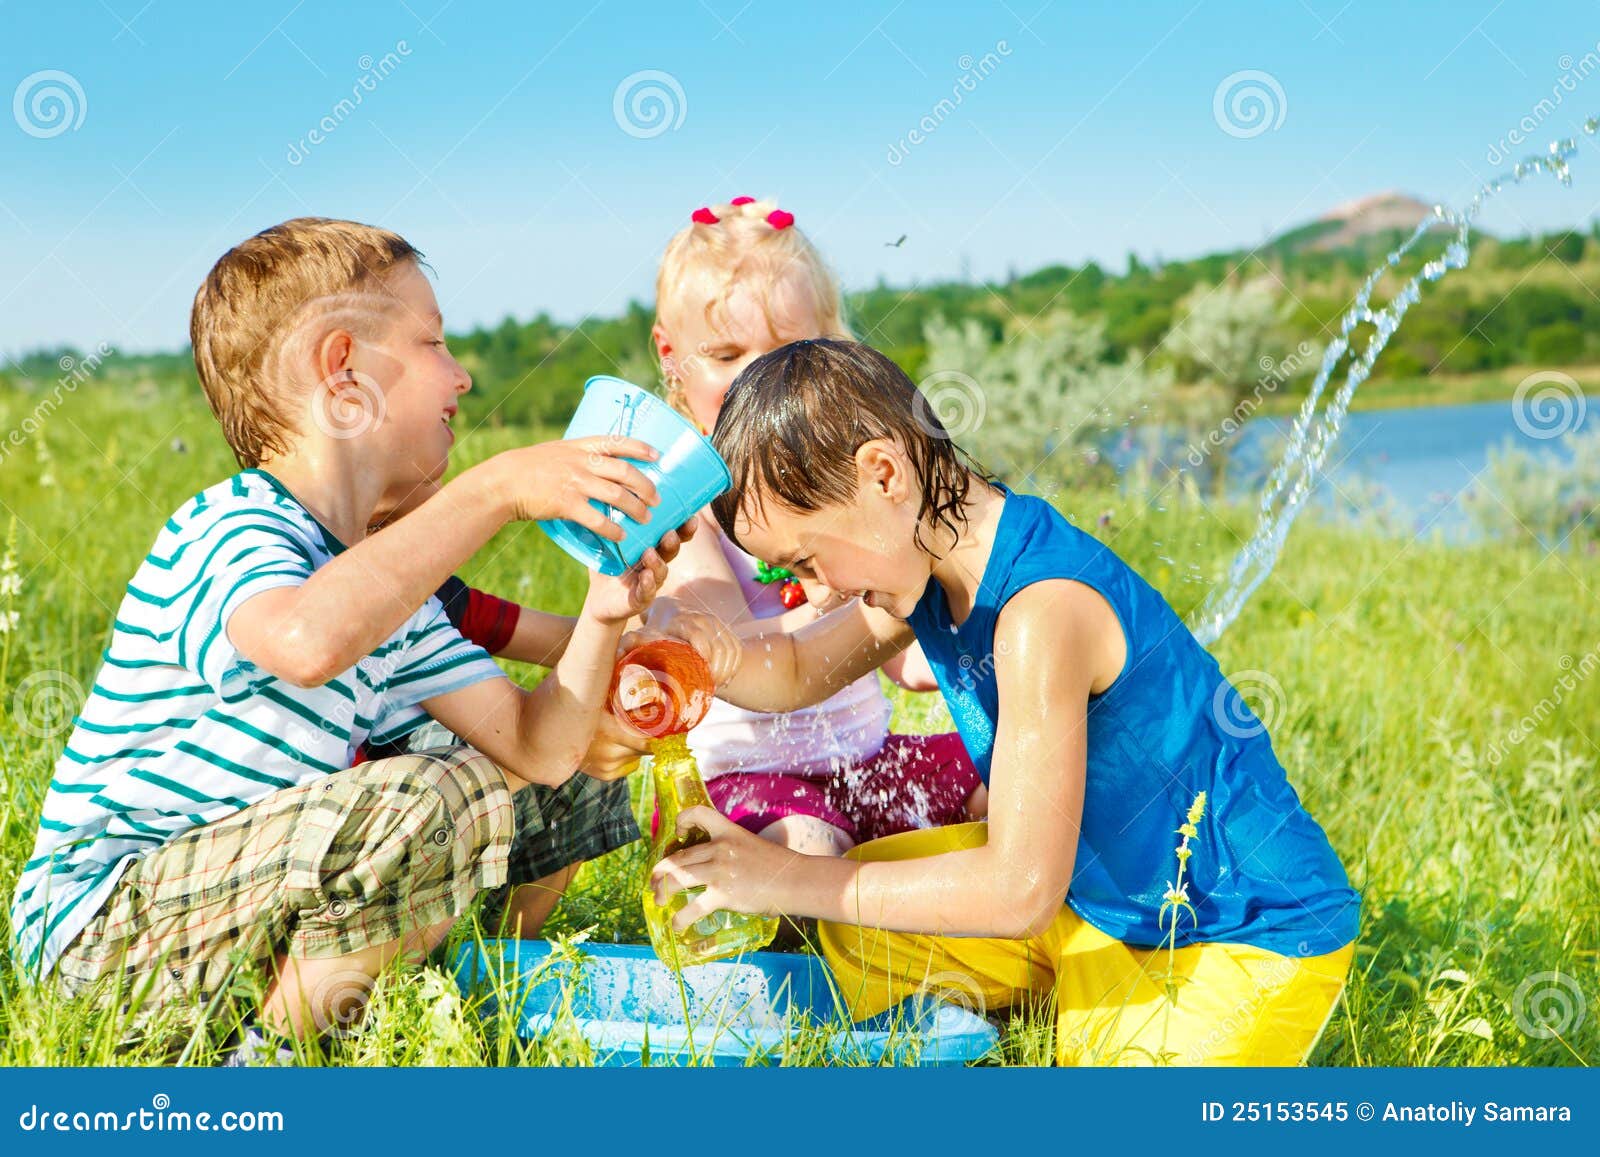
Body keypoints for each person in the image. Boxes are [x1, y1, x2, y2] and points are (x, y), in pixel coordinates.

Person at [10, 217, 689, 1046]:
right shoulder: (234, 525)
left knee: (569, 762)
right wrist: (491, 491)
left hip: (237, 913)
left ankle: (491, 988)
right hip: (106, 933)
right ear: (343, 370)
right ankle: (271, 1072)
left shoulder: (389, 585)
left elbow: (539, 747)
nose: (463, 374)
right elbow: (304, 640)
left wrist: (605, 608)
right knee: (436, 792)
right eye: (433, 342)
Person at [650, 338, 1361, 1066]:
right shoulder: (930, 559)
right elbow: (798, 666)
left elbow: (1019, 890)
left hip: (1237, 928)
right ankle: (1049, 988)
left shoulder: (1039, 612)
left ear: (884, 473)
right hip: (1092, 906)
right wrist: (708, 654)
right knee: (855, 926)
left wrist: (782, 878)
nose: (819, 584)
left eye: (808, 556)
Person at [644, 196, 983, 861]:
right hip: (741, 778)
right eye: (725, 353)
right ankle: (817, 930)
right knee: (808, 847)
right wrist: (845, 599)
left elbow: (904, 660)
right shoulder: (683, 502)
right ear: (672, 355)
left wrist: (945, 625)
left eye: (787, 351)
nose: (758, 379)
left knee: (1017, 777)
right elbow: (727, 650)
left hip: (867, 762)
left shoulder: (848, 486)